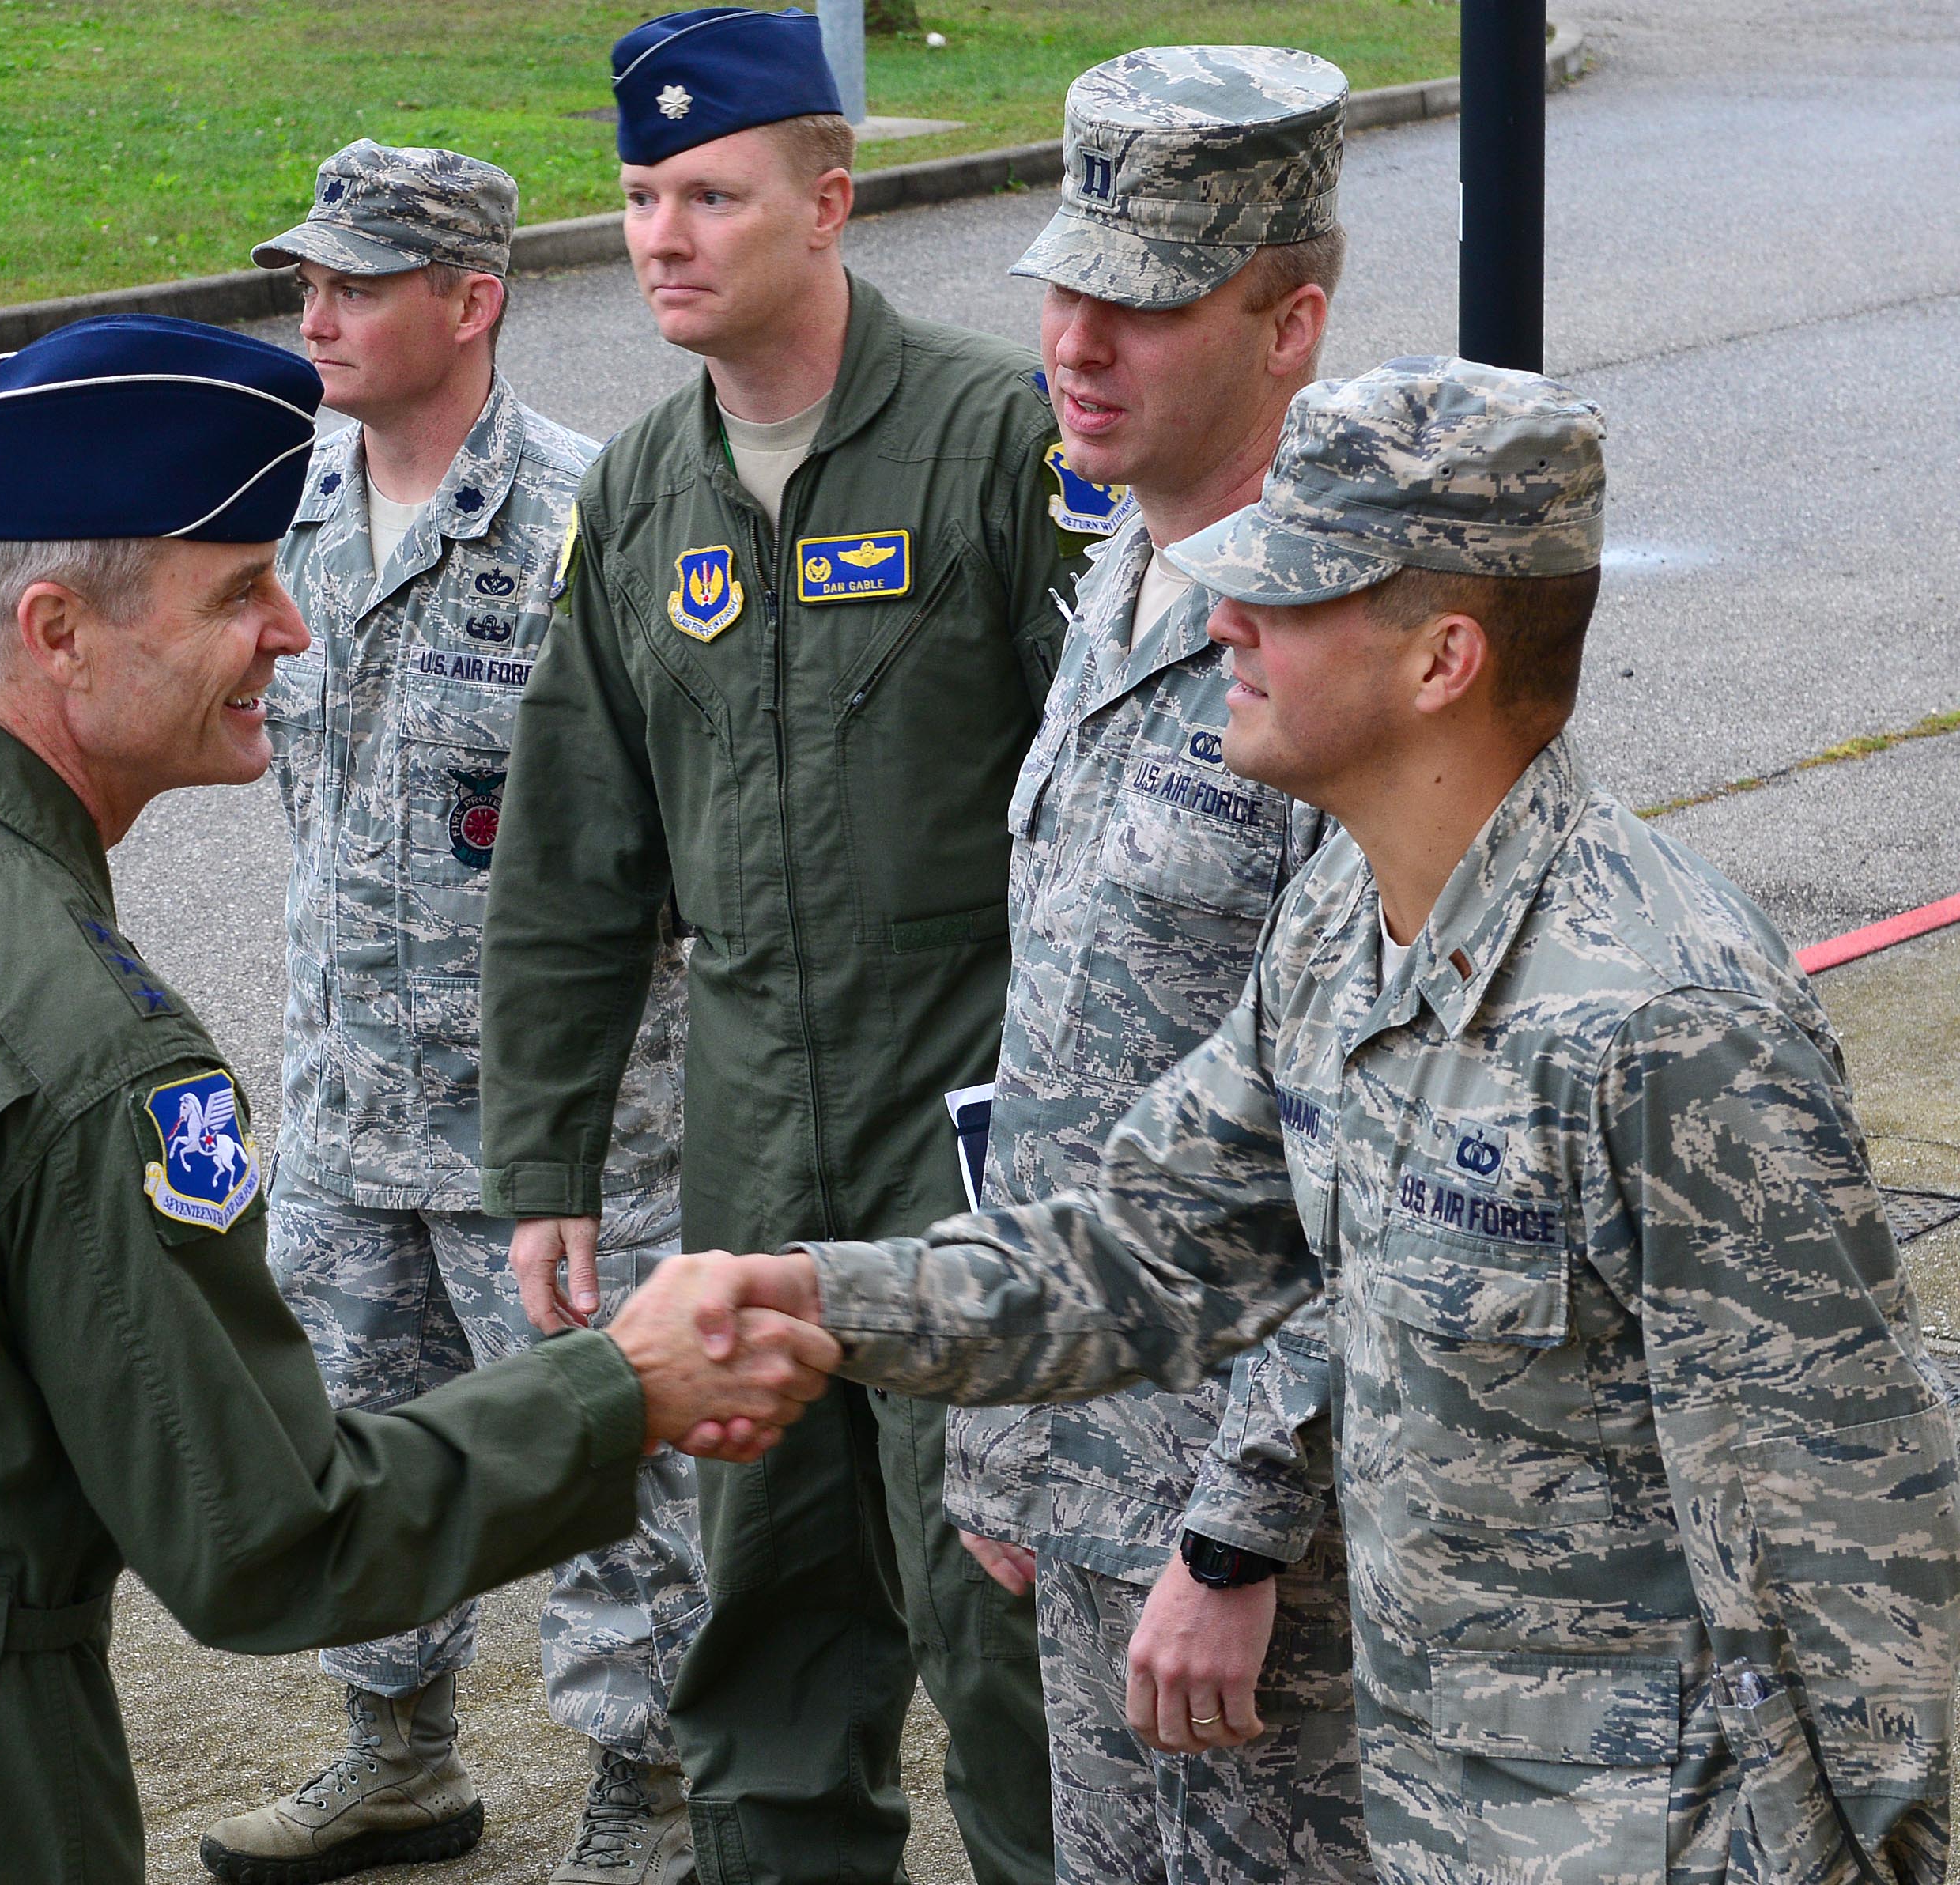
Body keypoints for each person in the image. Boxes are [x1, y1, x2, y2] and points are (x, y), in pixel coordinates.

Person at [0, 313, 836, 1885]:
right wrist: (620, 1391)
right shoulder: (85, 1049)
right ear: (57, 628)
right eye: (234, 593)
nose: (291, 627)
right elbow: (271, 1536)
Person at [692, 357, 1960, 1884]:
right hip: (1424, 1813)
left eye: (1284, 596)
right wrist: (816, 1304)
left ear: (1441, 661)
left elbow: (1858, 1553)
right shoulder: (1344, 928)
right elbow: (1134, 1258)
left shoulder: (1666, 1021)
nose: (1225, 621)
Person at [476, 9, 1091, 1879]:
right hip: (748, 1136)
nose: (663, 232)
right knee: (766, 1626)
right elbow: (574, 855)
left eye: (712, 194)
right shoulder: (642, 500)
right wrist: (548, 1159)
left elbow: (1120, 821)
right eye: (642, 195)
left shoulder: (998, 446)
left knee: (997, 1623)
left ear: (829, 203)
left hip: (971, 1137)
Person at [194, 142, 708, 1885]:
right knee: (352, 1447)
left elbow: (681, 840)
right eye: (307, 282)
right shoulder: (293, 517)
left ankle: (652, 1789)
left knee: (604, 1474)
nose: (315, 315)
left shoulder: (604, 518)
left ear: (470, 302)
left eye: (355, 283)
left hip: (556, 1139)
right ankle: (397, 1755)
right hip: (347, 1112)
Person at [942, 47, 1369, 1885]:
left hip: (1271, 1540)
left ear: (1291, 325)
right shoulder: (1123, 571)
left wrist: (1238, 1538)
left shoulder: (1349, 647)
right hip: (1096, 1470)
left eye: (1143, 304)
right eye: (1064, 291)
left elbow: (1393, 1145)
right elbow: (1065, 1051)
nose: (1076, 345)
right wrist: (1008, 1422)